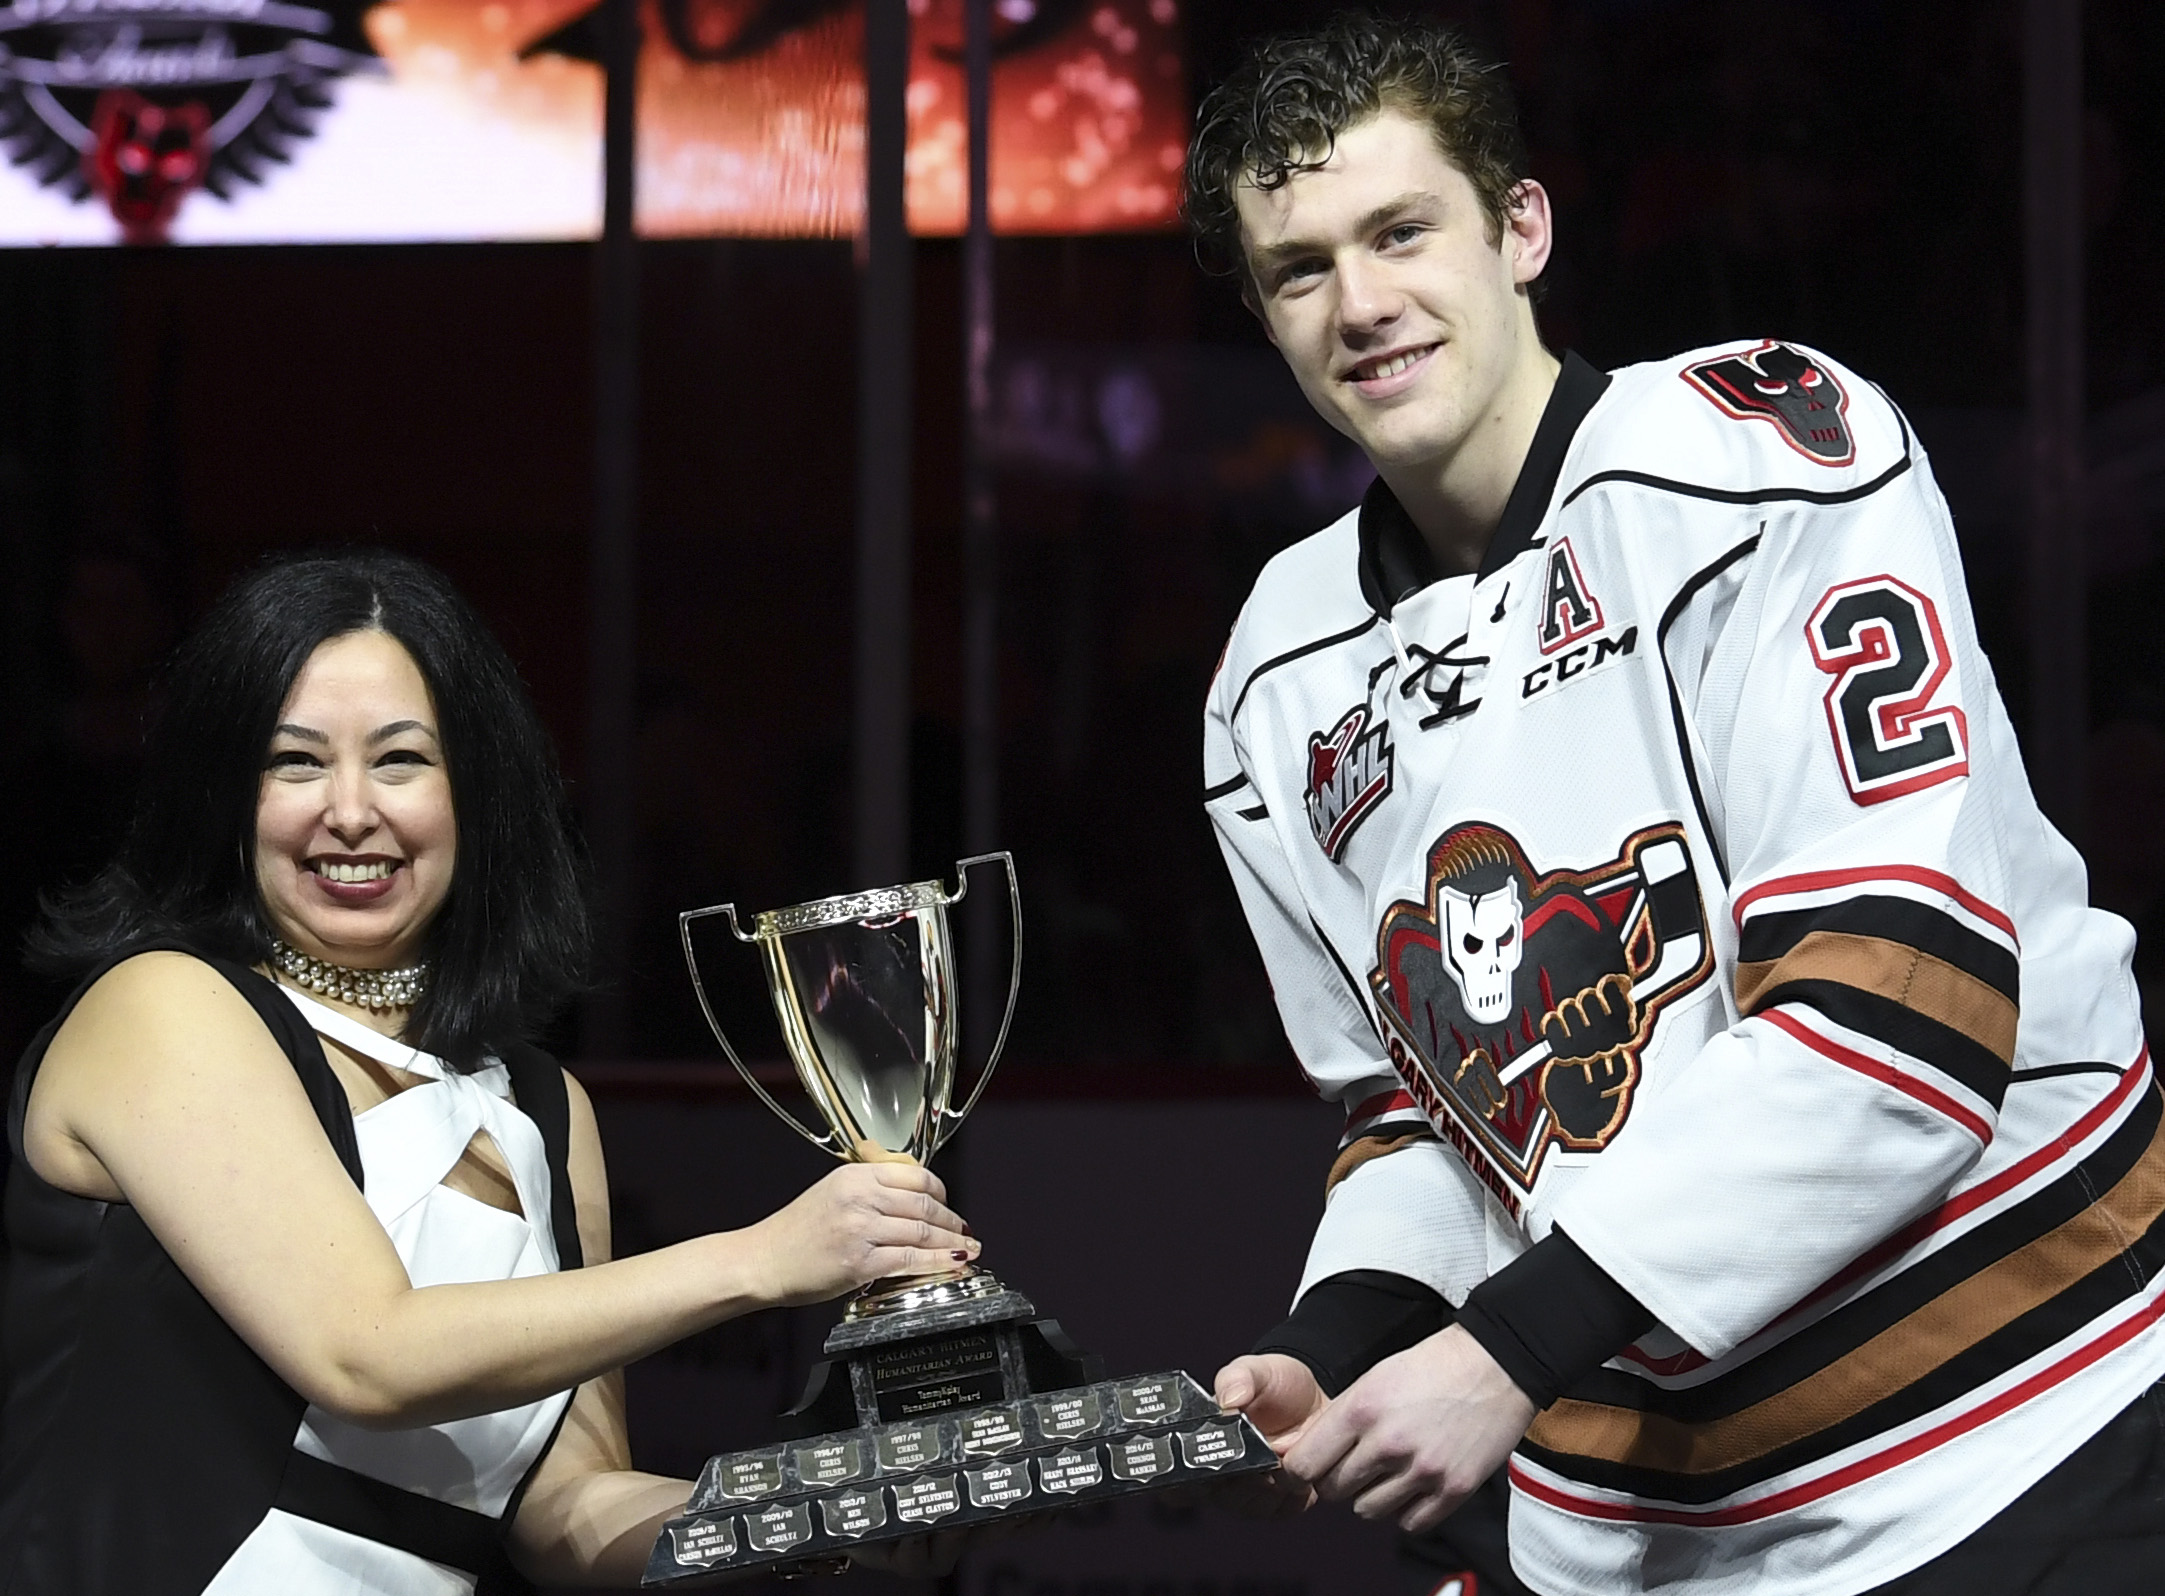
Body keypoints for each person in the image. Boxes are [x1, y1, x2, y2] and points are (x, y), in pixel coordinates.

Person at [1188, 15, 2164, 1596]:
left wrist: (1505, 1350)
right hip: (1649, 1536)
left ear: (1522, 229)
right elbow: (1419, 1120)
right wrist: (1342, 1338)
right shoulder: (1272, 682)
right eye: (1299, 269)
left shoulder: (1751, 457)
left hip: (2023, 1448)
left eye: (1400, 231)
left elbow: (1896, 1015)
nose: (1360, 304)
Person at [0, 550, 981, 1594]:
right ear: (225, 796)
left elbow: (568, 1513)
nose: (348, 810)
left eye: (400, 760)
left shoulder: (547, 1113)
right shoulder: (163, 1005)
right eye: (293, 761)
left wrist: (837, 1510)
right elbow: (363, 1351)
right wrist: (760, 1260)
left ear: (476, 792)